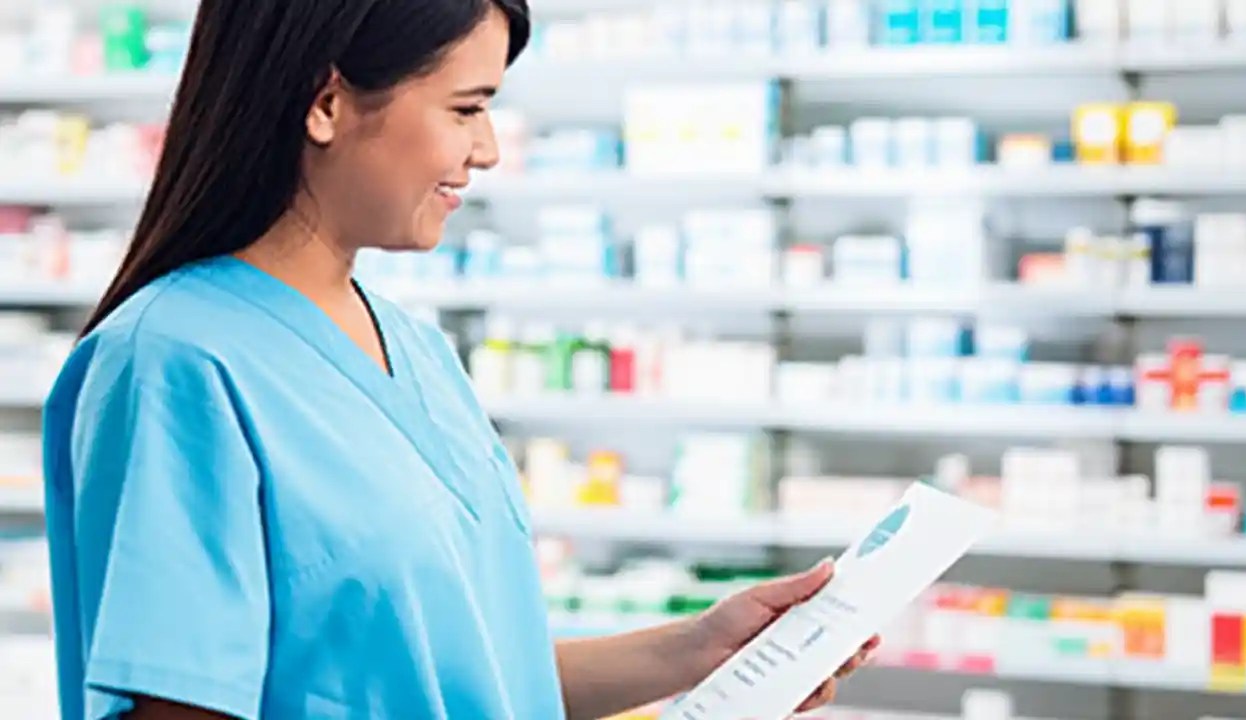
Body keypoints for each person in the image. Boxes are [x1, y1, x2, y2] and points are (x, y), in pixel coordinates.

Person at [42, 1, 879, 718]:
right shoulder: (174, 362)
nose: (487, 150)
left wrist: (699, 650)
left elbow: (472, 676)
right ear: (326, 103)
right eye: (466, 109)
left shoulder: (415, 349)